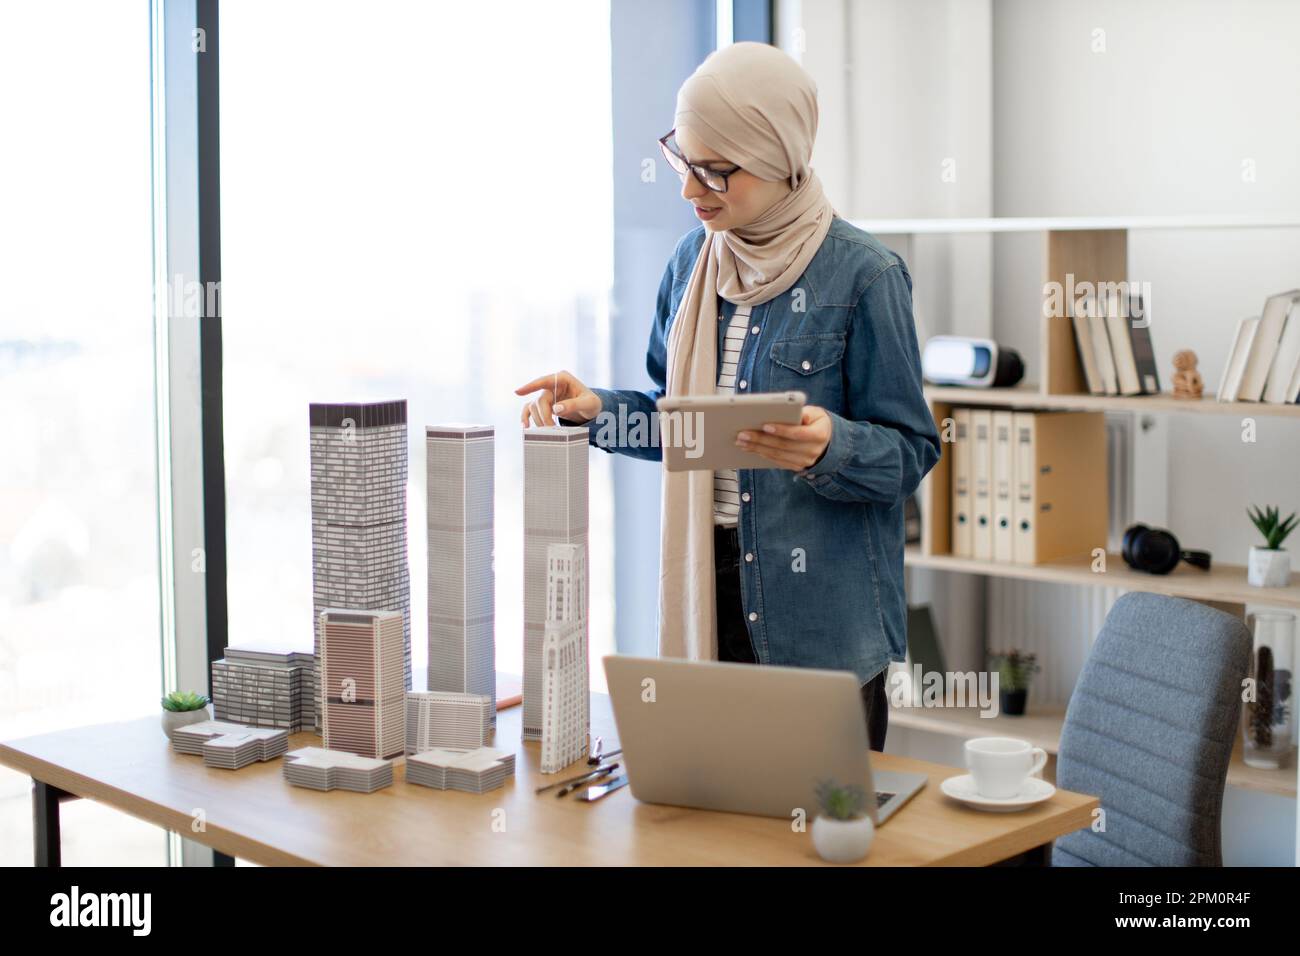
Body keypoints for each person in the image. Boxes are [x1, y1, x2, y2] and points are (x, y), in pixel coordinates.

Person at [516, 42, 939, 751]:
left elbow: (912, 452)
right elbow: (679, 427)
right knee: (704, 809)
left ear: (777, 158)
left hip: (819, 623)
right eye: (683, 160)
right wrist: (599, 412)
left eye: (715, 169)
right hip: (706, 597)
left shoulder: (866, 275)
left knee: (820, 819)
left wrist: (831, 447)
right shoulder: (691, 264)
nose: (690, 189)